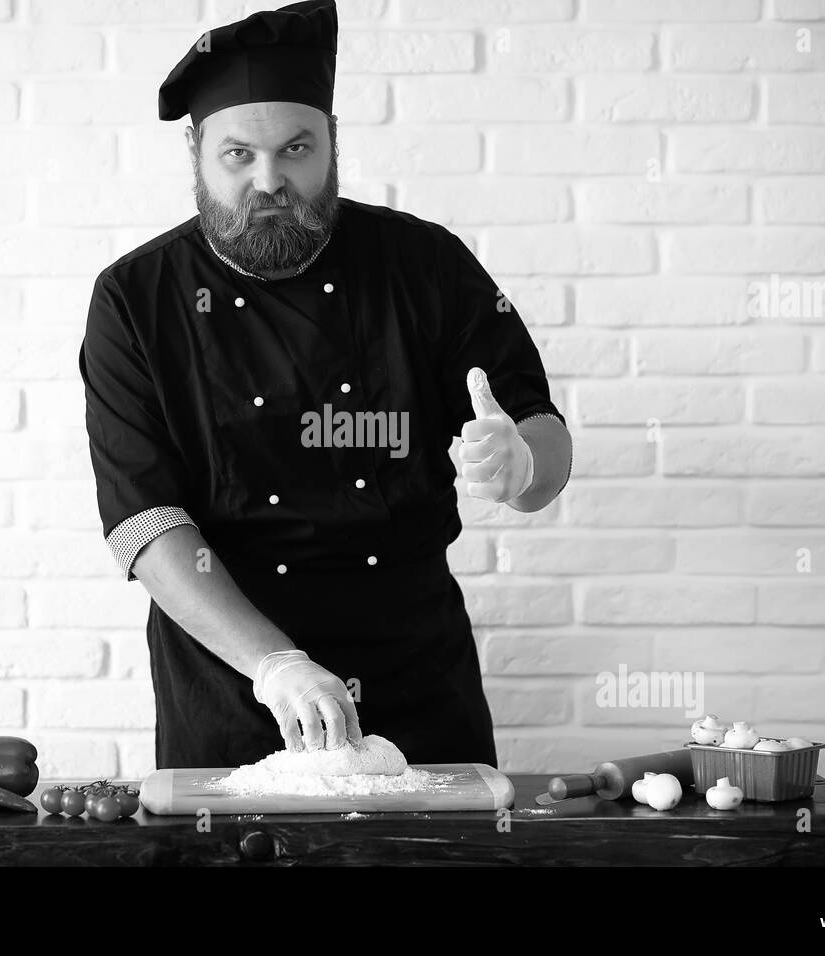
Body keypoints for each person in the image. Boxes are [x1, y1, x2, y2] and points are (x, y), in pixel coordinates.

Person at [79, 0, 573, 770]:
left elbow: (542, 434)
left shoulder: (426, 264)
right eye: (239, 155)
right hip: (234, 686)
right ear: (196, 152)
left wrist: (526, 467)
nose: (270, 180)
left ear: (332, 143)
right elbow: (142, 519)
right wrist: (277, 665)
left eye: (297, 148)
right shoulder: (136, 299)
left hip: (417, 676)